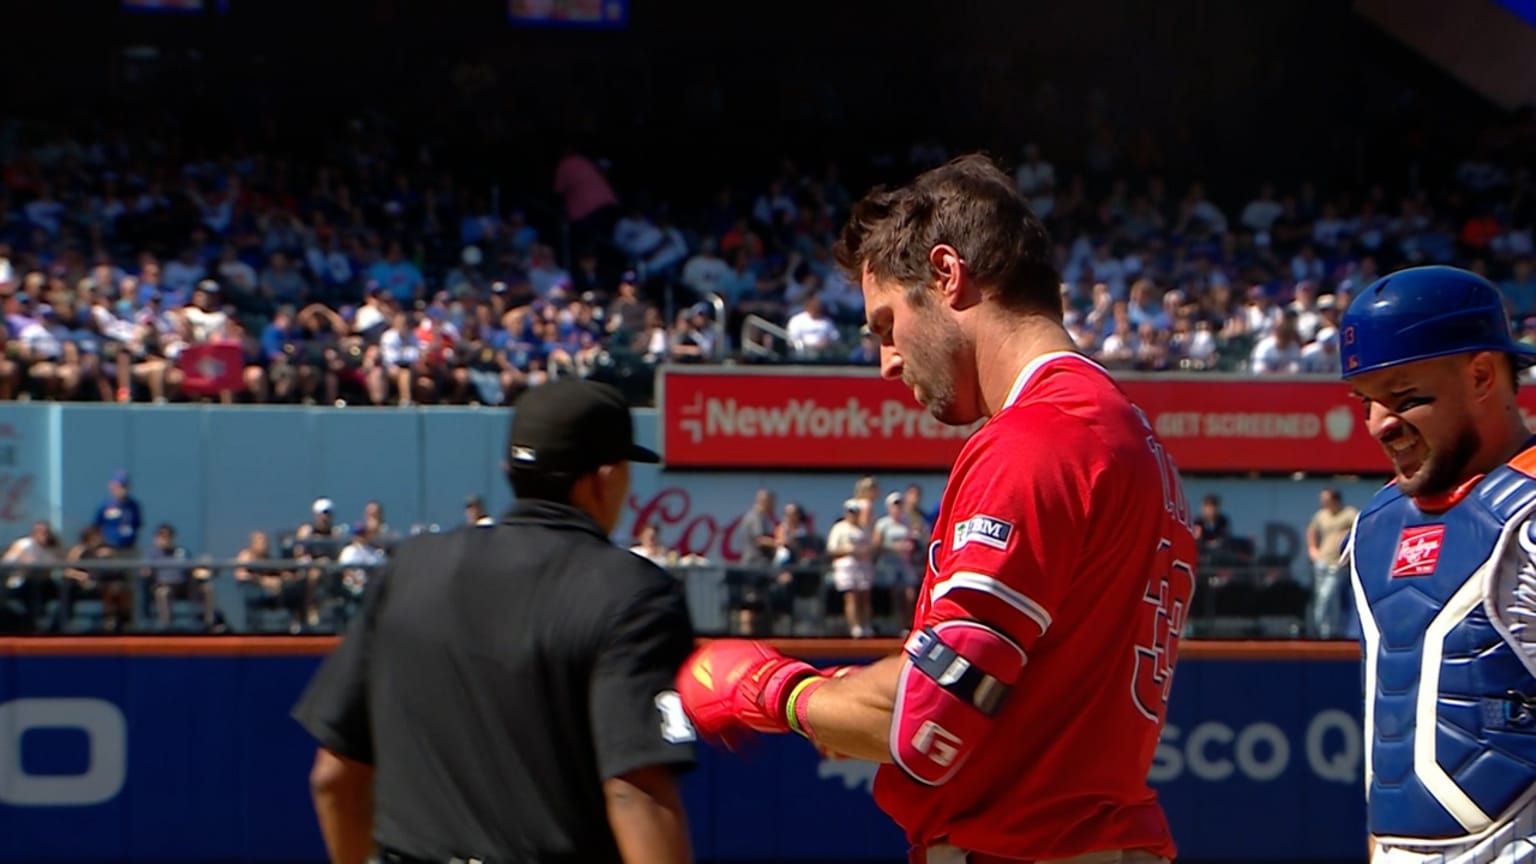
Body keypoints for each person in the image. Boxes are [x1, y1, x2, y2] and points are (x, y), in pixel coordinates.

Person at [673, 153, 1196, 863]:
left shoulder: (1035, 439)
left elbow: (930, 719)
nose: (886, 361)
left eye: (886, 324)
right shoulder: (1132, 436)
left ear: (948, 275)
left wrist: (771, 689)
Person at [291, 378, 698, 864]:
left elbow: (334, 779)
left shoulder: (411, 568)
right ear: (605, 477)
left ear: (511, 470)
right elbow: (637, 794)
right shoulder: (631, 590)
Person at [1339, 265, 1536, 864]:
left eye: (1404, 397)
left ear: (1481, 375)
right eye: (1367, 401)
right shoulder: (1376, 526)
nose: (1379, 424)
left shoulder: (1526, 517)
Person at [1304, 488, 1357, 639]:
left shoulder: (1349, 514)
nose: (1322, 501)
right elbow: (1311, 531)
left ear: (1335, 499)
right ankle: (1321, 631)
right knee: (1320, 597)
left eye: (1325, 498)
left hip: (1338, 563)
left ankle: (1331, 633)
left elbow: (1360, 528)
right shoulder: (1321, 515)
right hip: (1322, 561)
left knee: (1330, 596)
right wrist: (1312, 549)